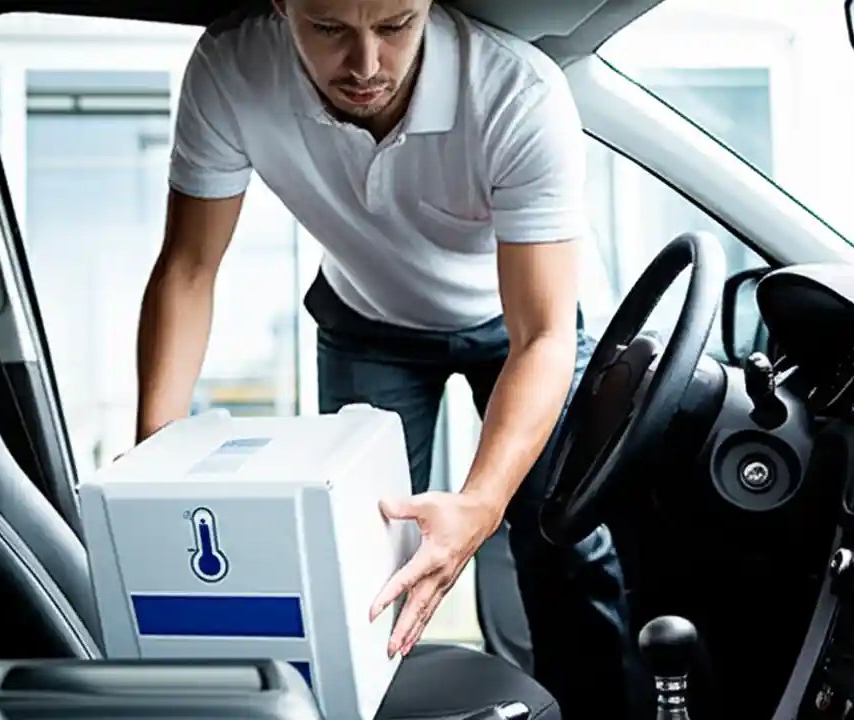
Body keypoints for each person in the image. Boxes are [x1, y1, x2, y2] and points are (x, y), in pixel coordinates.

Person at [134, 0, 643, 716]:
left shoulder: (516, 93)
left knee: (564, 545)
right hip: (368, 322)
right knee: (360, 560)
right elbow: (188, 269)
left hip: (518, 326)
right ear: (282, 7)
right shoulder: (231, 68)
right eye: (331, 30)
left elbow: (545, 336)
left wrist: (481, 503)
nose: (367, 66)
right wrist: (154, 456)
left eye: (396, 26)